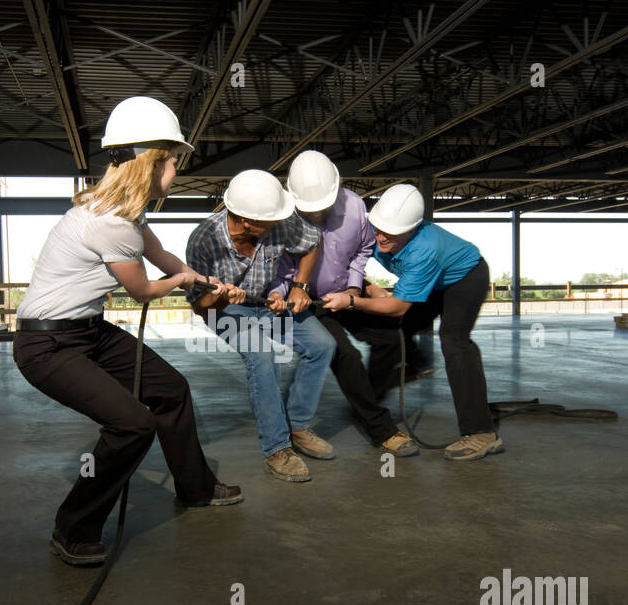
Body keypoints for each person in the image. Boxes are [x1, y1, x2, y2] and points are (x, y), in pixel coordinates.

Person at [13, 95, 242, 567]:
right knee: (131, 424)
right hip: (46, 344)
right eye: (174, 161)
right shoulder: (109, 222)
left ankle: (196, 488)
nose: (177, 170)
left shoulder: (126, 212)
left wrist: (203, 278)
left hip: (89, 332)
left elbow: (159, 255)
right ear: (149, 163)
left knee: (171, 390)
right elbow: (142, 289)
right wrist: (183, 282)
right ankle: (71, 529)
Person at [319, 183, 504, 461]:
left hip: (464, 278)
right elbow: (351, 262)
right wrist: (367, 287)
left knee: (454, 341)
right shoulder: (373, 228)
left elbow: (397, 307)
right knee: (392, 333)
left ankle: (482, 432)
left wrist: (352, 301)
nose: (380, 237)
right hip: (434, 278)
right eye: (378, 228)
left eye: (390, 233)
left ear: (412, 228)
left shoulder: (424, 249)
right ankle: (381, 395)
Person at [185, 169, 336, 483]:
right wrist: (221, 296)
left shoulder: (281, 222)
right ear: (246, 221)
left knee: (323, 345)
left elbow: (313, 242)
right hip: (225, 311)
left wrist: (299, 287)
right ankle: (276, 449)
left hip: (268, 302)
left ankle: (299, 426)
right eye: (270, 222)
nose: (279, 224)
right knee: (263, 356)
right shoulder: (204, 240)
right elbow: (200, 306)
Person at [284, 150, 419, 458]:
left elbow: (362, 250)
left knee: (391, 339)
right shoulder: (284, 216)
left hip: (346, 293)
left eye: (322, 208)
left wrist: (355, 289)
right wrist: (294, 290)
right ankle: (380, 427)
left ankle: (363, 398)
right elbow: (277, 263)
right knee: (346, 357)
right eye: (309, 210)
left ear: (337, 188)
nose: (316, 215)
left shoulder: (355, 206)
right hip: (308, 303)